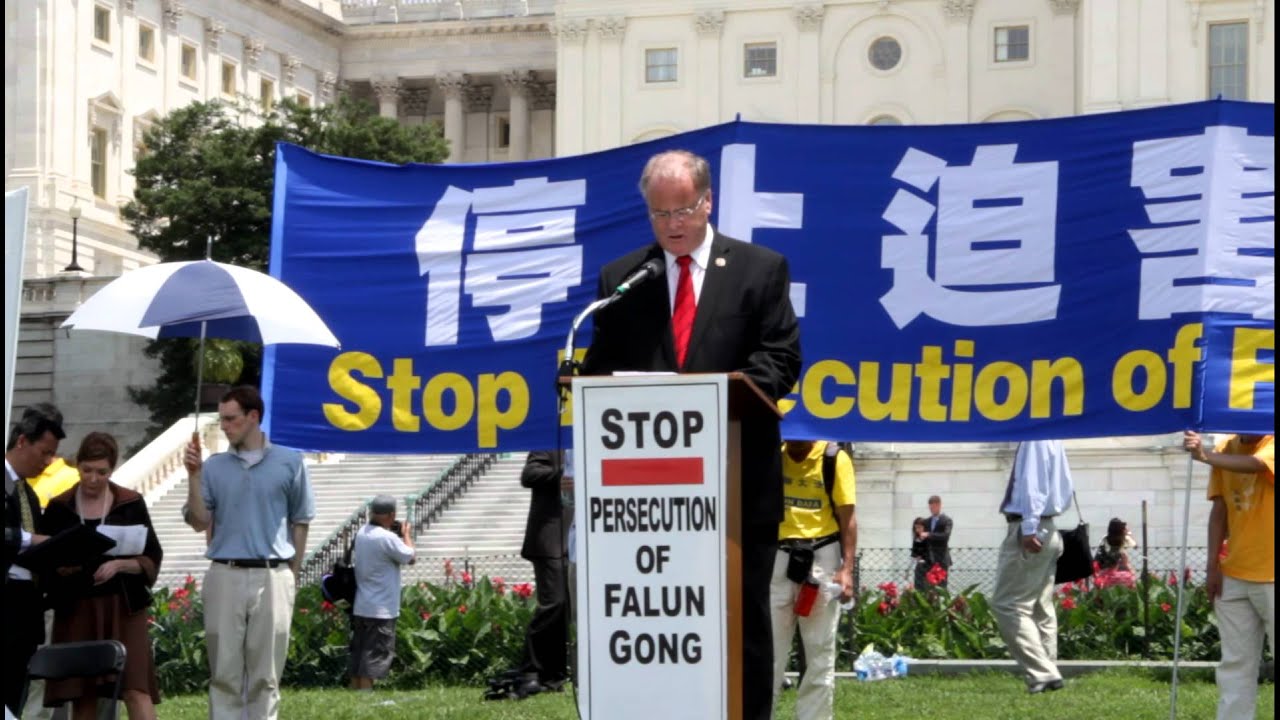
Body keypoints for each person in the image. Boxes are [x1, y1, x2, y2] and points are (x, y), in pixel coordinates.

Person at [580, 149, 802, 719]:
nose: (673, 224)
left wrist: (708, 398)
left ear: (709, 202)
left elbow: (780, 360)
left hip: (736, 484)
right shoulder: (624, 280)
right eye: (659, 213)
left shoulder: (760, 269)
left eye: (683, 210)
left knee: (741, 614)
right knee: (659, 617)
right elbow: (601, 372)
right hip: (649, 498)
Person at [182, 385, 316, 720]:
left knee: (266, 676)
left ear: (253, 416)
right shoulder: (213, 467)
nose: (224, 426)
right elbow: (199, 522)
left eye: (231, 419)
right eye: (222, 419)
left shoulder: (290, 461)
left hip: (274, 574)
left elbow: (301, 521)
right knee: (223, 674)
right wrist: (193, 476)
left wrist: (292, 576)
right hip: (225, 573)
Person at [40, 432, 162, 720]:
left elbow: (152, 555)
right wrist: (64, 568)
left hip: (124, 606)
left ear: (112, 469)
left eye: (102, 472)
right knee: (83, 691)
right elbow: (45, 559)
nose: (93, 479)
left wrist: (121, 565)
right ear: (77, 466)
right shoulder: (61, 507)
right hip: (78, 607)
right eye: (87, 471)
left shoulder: (130, 503)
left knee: (136, 687)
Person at [1184, 431, 1274, 720]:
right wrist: (1213, 566)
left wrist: (1204, 456)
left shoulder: (1269, 445)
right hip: (1234, 573)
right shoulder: (1225, 447)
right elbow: (1219, 509)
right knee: (1235, 664)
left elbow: (1259, 465)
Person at [770, 440, 856, 720]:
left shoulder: (833, 458)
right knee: (769, 654)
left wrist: (847, 569)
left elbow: (848, 518)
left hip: (822, 559)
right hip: (780, 558)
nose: (794, 442)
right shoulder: (774, 457)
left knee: (820, 654)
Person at [992, 440, 1074, 694]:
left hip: (1031, 530)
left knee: (1007, 604)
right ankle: (1049, 667)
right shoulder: (1053, 437)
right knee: (1040, 606)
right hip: (1049, 528)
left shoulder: (1035, 438)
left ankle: (1044, 673)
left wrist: (1028, 526)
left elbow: (1033, 484)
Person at [4, 404, 65, 715]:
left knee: (17, 689)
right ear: (22, 442)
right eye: (44, 452)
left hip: (25, 606)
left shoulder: (27, 493)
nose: (48, 461)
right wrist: (33, 540)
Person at [513, 451, 571, 695]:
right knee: (553, 603)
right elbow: (529, 475)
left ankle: (554, 674)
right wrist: (559, 476)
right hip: (549, 540)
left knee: (565, 609)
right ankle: (530, 671)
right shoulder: (549, 442)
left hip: (574, 540)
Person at [348, 495, 414, 691]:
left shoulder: (362, 532)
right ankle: (365, 696)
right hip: (381, 608)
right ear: (392, 515)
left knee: (359, 651)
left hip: (362, 604)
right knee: (374, 653)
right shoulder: (387, 537)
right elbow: (410, 557)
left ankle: (354, 691)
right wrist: (406, 534)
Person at [915, 495, 952, 590]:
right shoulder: (926, 521)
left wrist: (929, 535)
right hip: (929, 560)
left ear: (939, 505)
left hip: (942, 559)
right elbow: (921, 538)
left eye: (933, 507)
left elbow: (945, 536)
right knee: (928, 587)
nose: (932, 510)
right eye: (930, 507)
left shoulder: (947, 520)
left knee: (941, 587)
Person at [909, 517, 929, 589]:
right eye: (916, 528)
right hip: (920, 567)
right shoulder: (917, 539)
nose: (917, 530)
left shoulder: (929, 538)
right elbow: (914, 554)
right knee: (919, 588)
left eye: (919, 527)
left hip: (929, 566)